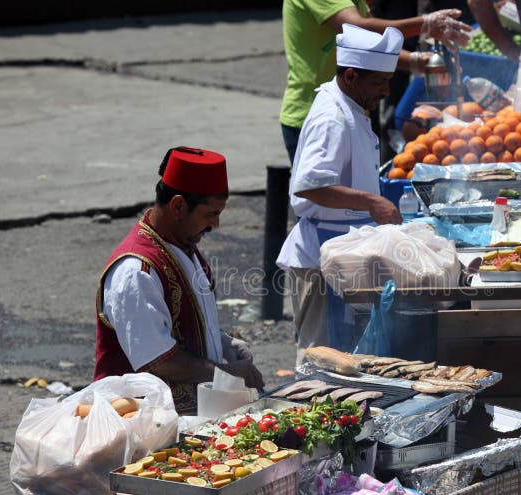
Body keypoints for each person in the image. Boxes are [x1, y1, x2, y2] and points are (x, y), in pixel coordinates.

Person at [94, 146, 265, 414]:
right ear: (178, 206)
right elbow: (158, 361)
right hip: (141, 423)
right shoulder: (136, 271)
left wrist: (224, 343)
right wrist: (227, 373)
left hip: (187, 416)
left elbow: (183, 322)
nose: (216, 225)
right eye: (210, 214)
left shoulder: (182, 245)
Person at [277, 24, 404, 363]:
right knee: (319, 358)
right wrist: (371, 201)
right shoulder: (332, 117)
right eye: (378, 82)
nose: (386, 90)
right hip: (320, 259)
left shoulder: (350, 107)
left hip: (342, 253)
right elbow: (309, 185)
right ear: (351, 76)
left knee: (345, 359)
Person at [280, 1, 473, 164]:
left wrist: (418, 61)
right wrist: (426, 24)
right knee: (325, 200)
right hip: (316, 116)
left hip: (354, 114)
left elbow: (372, 48)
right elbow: (357, 28)